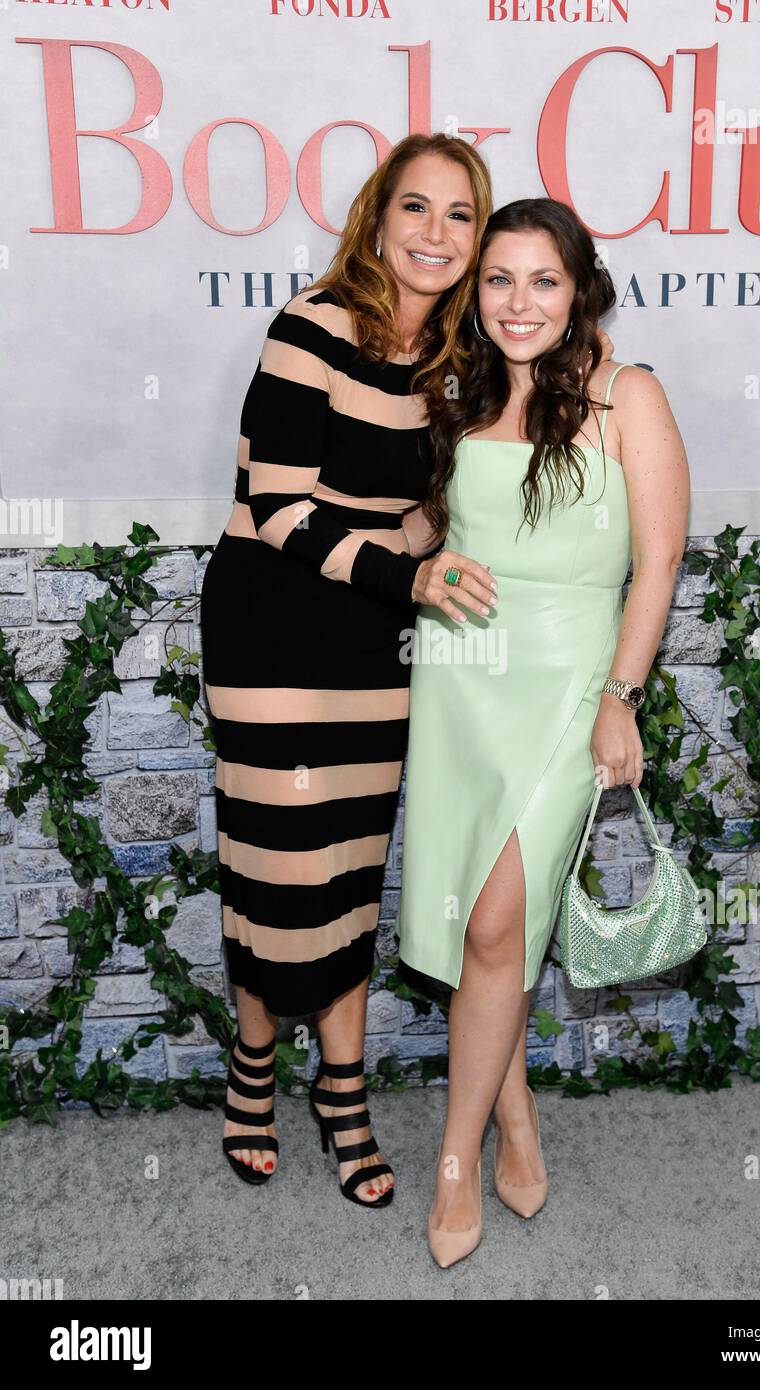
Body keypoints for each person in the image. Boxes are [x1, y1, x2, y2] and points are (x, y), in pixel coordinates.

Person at [199, 133, 498, 1202]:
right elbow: (278, 506)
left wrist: (421, 555)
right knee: (279, 868)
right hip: (272, 628)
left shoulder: (461, 363)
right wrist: (404, 574)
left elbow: (432, 509)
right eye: (416, 207)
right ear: (378, 218)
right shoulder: (312, 325)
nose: (435, 233)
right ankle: (252, 1063)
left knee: (350, 870)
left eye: (460, 215)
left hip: (373, 636)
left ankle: (341, 1087)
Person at [395, 198, 690, 1264]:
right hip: (460, 684)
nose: (519, 302)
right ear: (476, 290)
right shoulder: (459, 394)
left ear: (580, 290)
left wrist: (621, 695)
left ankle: (456, 1158)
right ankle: (514, 1112)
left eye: (544, 280)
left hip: (567, 686)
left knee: (491, 926)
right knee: (482, 926)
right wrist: (411, 563)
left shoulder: (626, 394)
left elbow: (658, 559)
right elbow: (428, 528)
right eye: (499, 279)